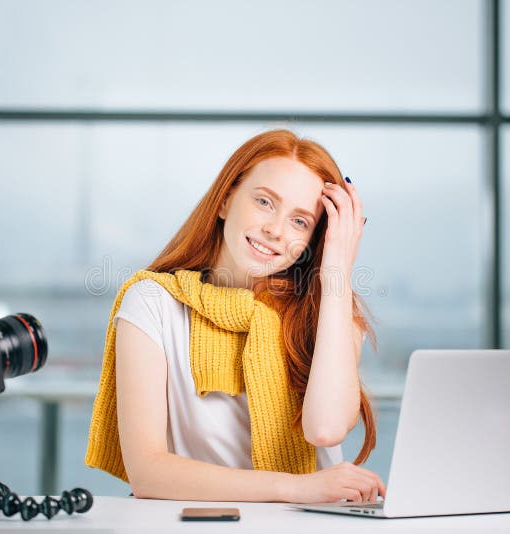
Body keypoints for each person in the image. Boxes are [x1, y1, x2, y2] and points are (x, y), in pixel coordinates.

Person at [85, 129, 386, 504]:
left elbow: (325, 430)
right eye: (264, 201)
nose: (275, 230)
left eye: (300, 222)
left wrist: (337, 270)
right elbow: (147, 472)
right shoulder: (152, 303)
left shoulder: (327, 314)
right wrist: (293, 488)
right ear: (226, 200)